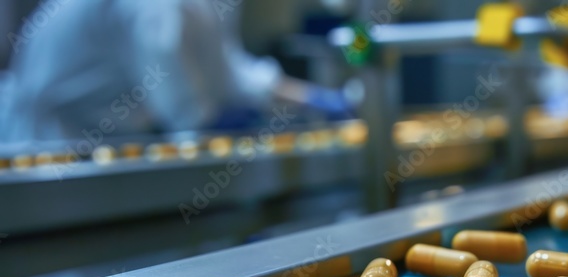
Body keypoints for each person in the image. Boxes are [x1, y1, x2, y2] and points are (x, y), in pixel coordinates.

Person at [0, 0, 351, 142]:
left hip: (108, 132)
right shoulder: (155, 6)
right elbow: (184, 109)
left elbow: (230, 71)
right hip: (57, 136)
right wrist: (220, 124)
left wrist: (315, 99)